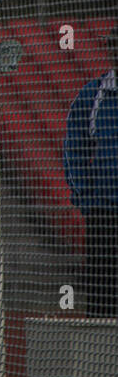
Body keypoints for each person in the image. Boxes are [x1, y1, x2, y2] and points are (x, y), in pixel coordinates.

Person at [63, 26, 118, 318]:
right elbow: (74, 145)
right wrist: (84, 195)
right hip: (102, 211)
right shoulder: (93, 94)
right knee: (102, 287)